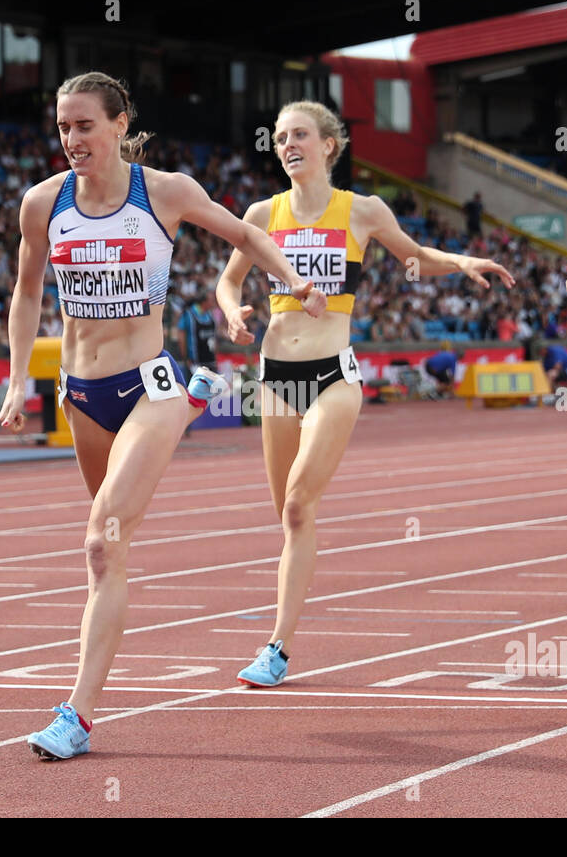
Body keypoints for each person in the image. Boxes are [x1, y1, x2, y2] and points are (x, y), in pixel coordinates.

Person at [0, 72, 319, 760]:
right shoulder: (41, 204)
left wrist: (292, 280)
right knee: (108, 556)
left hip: (144, 385)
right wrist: (19, 374)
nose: (73, 140)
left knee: (98, 542)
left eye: (85, 125)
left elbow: (242, 233)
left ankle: (77, 716)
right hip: (80, 393)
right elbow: (26, 291)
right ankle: (196, 397)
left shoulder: (163, 192)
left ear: (119, 125)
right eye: (63, 128)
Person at [216, 100, 514, 686]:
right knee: (288, 518)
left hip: (333, 374)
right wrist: (233, 315)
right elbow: (229, 281)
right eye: (279, 138)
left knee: (300, 503)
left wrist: (458, 261)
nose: (287, 145)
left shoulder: (361, 211)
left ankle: (276, 648)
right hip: (275, 376)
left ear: (329, 144)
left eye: (299, 135)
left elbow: (413, 260)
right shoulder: (262, 213)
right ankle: (285, 626)